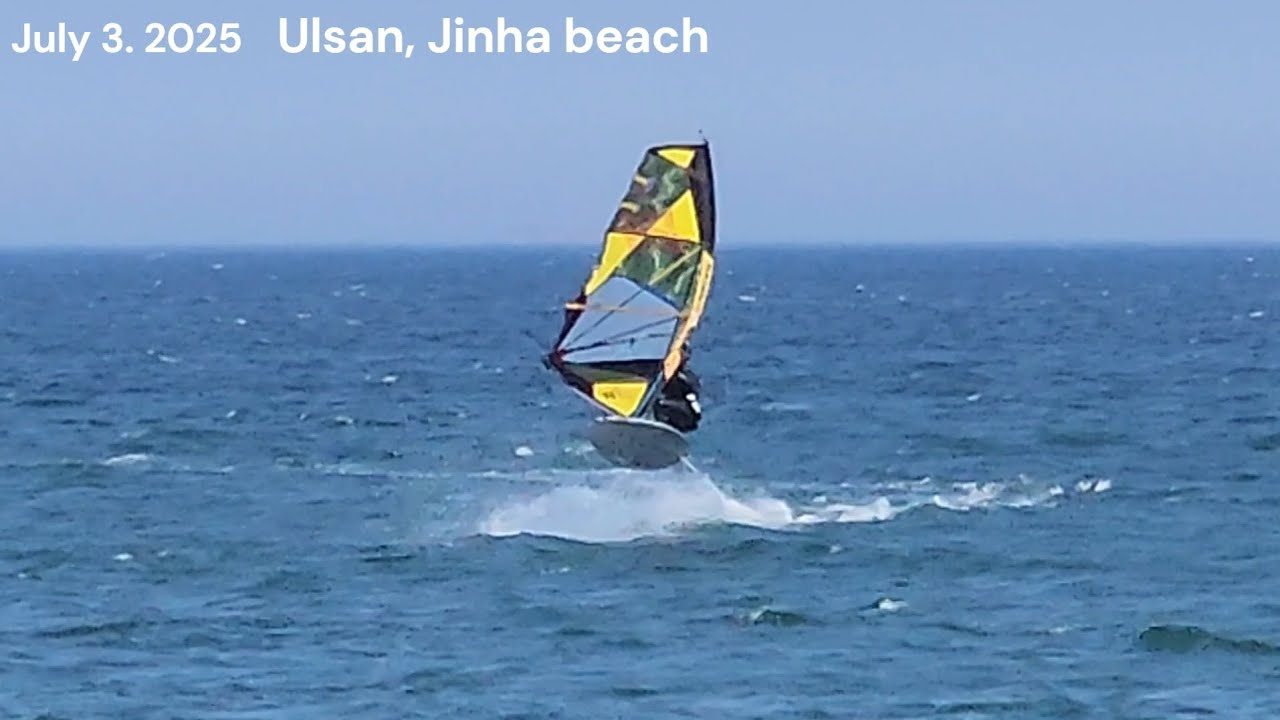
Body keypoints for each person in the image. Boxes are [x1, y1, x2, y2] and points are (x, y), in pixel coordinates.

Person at [652, 347, 702, 433]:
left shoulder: (687, 378)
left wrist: (696, 412)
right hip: (663, 405)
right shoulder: (660, 373)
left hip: (677, 406)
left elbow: (692, 399)